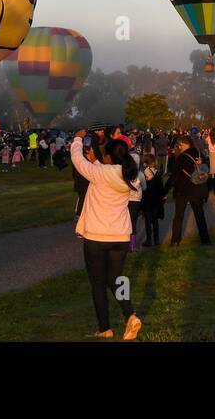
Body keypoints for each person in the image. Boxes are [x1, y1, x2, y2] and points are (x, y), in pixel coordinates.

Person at [69, 130, 143, 340]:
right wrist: (98, 163)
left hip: (96, 237)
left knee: (98, 284)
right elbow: (109, 173)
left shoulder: (100, 173)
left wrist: (77, 139)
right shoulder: (129, 175)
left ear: (109, 157)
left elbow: (77, 160)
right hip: (120, 237)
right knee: (116, 278)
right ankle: (130, 315)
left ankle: (105, 328)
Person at [168, 134, 211, 246]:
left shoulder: (182, 157)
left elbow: (174, 176)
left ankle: (175, 240)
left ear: (183, 144)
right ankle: (205, 239)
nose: (178, 147)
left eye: (179, 145)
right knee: (199, 215)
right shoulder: (199, 153)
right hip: (198, 188)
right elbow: (206, 168)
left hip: (183, 190)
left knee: (178, 216)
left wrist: (164, 191)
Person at [141, 152, 164, 247]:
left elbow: (142, 187)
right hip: (156, 200)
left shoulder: (144, 173)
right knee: (155, 221)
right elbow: (161, 187)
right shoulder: (157, 173)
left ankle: (149, 240)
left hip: (147, 200)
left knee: (147, 221)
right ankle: (157, 239)